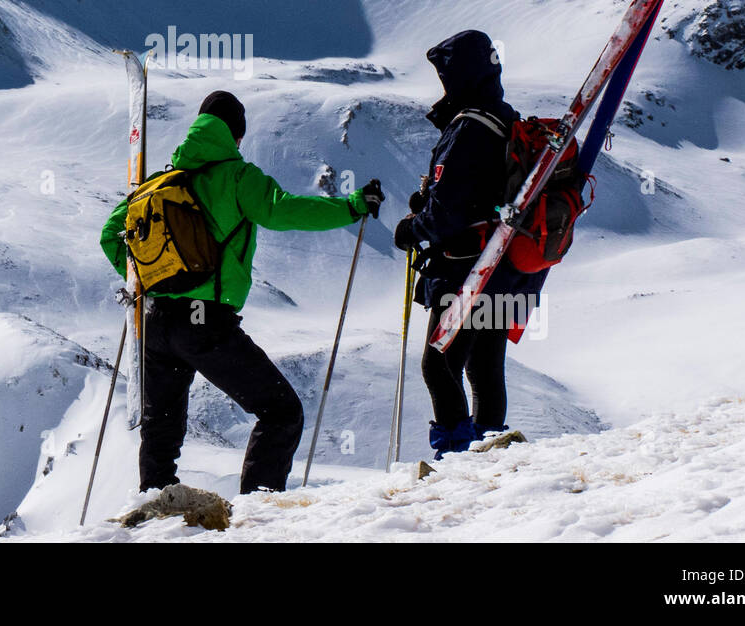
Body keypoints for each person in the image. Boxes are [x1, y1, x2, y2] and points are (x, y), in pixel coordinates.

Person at [100, 90, 383, 495]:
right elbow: (286, 211)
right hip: (205, 323)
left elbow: (111, 234)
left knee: (161, 426)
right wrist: (352, 206)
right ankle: (257, 512)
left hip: (156, 321)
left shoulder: (156, 183)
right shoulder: (237, 177)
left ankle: (156, 510)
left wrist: (148, 280)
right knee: (280, 412)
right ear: (235, 135)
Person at [393, 30, 547, 459]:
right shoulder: (505, 117)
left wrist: (411, 229)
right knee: (484, 366)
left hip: (466, 268)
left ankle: (457, 459)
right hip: (507, 268)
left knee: (438, 364)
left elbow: (446, 214)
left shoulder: (468, 127)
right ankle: (490, 454)